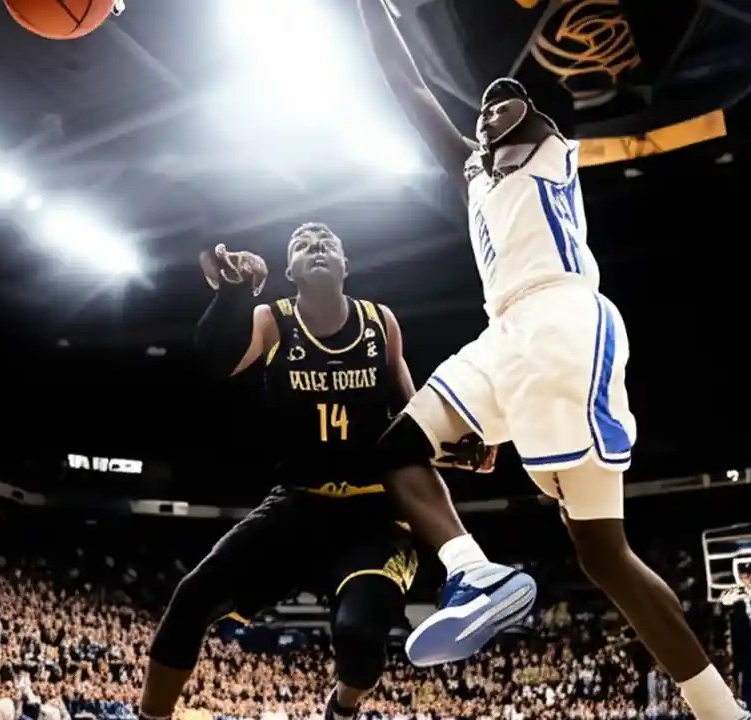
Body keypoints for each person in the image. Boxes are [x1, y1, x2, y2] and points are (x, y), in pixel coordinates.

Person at [356, 3, 751, 720]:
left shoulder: (547, 145)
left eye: (505, 100)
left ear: (536, 116)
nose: (491, 107)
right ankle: (472, 573)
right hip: (503, 334)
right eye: (482, 108)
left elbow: (541, 83)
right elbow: (408, 86)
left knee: (605, 553)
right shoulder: (474, 174)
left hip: (564, 320)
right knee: (398, 451)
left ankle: (723, 714)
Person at [138, 223, 496, 720]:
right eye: (303, 244)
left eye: (328, 242)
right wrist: (235, 294)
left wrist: (460, 443)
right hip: (297, 504)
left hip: (374, 515)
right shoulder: (272, 319)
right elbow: (216, 360)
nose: (317, 247)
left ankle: (343, 705)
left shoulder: (380, 322)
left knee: (358, 635)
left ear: (346, 265)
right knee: (191, 597)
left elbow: (411, 413)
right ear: (289, 271)